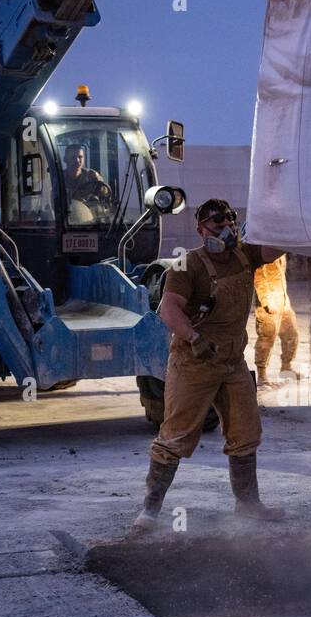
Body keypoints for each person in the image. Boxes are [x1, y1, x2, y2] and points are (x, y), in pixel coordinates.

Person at [127, 198, 287, 535]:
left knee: (246, 432)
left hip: (231, 363)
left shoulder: (245, 255)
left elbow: (275, 247)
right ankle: (150, 511)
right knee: (175, 436)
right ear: (201, 230)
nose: (225, 228)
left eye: (230, 220)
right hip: (194, 362)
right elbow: (169, 309)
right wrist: (193, 338)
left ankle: (248, 504)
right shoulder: (187, 266)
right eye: (217, 223)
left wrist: (275, 214)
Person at [252, 253, 300, 386]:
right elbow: (258, 274)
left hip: (282, 299)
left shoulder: (279, 252)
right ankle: (262, 375)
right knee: (266, 338)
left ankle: (286, 367)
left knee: (292, 334)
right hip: (268, 301)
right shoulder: (263, 250)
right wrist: (266, 301)